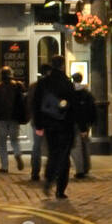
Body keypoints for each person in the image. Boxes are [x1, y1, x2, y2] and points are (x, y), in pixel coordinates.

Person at [32, 56, 76, 198]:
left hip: (49, 124)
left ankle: (49, 178)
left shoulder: (44, 83)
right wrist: (80, 126)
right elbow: (73, 106)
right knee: (64, 156)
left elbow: (37, 104)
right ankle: (60, 189)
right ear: (63, 66)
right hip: (65, 125)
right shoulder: (67, 83)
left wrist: (39, 124)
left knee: (53, 153)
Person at [0, 66, 27, 173]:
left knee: (1, 143)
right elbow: (24, 100)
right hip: (14, 117)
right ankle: (17, 153)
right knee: (14, 140)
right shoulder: (18, 85)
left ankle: (5, 166)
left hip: (1, 117)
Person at [26, 65, 51, 187]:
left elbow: (30, 103)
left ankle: (35, 172)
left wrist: (32, 117)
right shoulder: (51, 86)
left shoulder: (33, 86)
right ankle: (51, 172)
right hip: (49, 121)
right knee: (51, 146)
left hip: (37, 121)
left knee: (37, 146)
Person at [70, 72, 96, 179]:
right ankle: (86, 167)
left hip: (75, 123)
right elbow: (92, 109)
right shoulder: (87, 92)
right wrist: (89, 124)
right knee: (85, 145)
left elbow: (76, 110)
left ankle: (80, 170)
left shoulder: (72, 93)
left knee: (76, 147)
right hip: (86, 123)